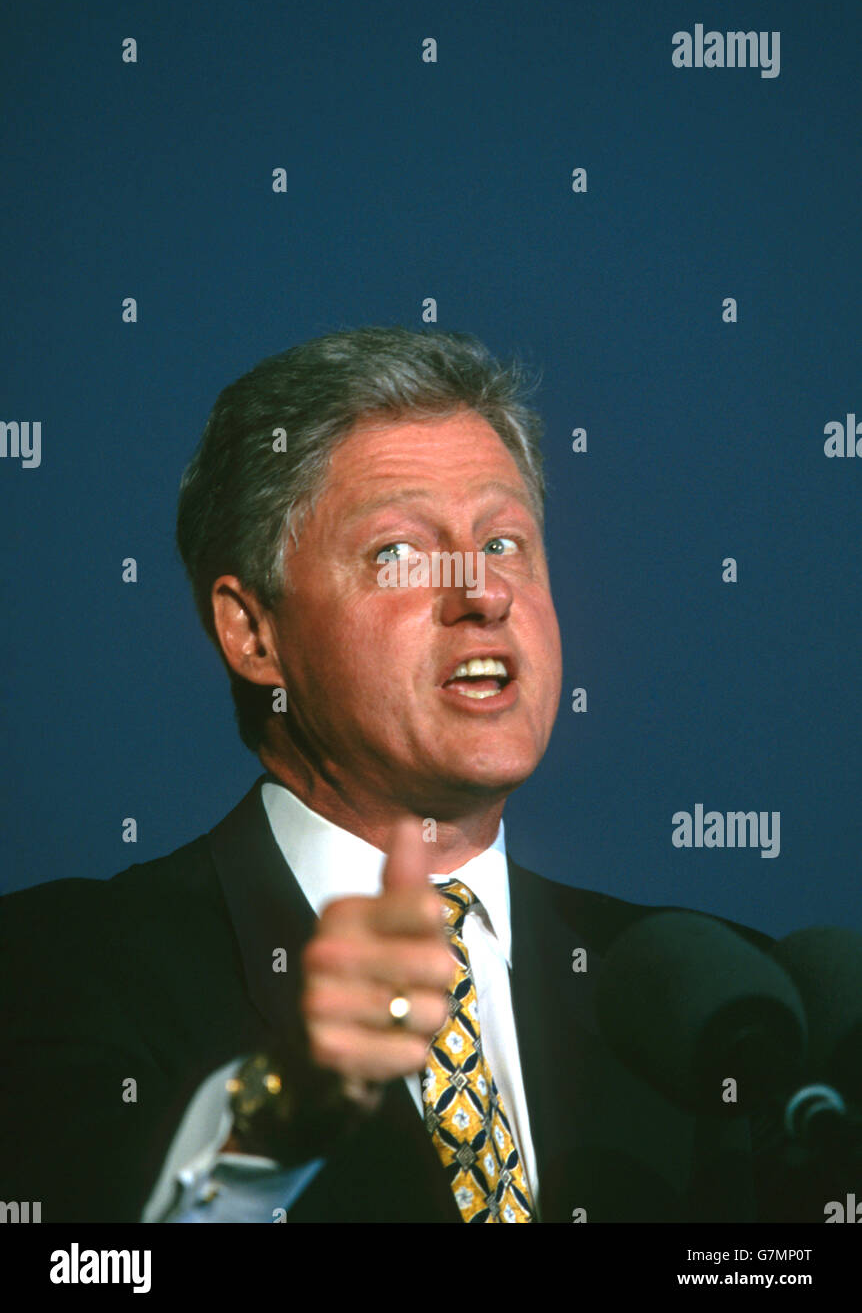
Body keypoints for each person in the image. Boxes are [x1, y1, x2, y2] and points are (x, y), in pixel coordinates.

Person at [1, 326, 773, 1223]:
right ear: (255, 634)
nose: (482, 594)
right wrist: (275, 1120)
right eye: (399, 554)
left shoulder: (723, 1010)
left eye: (506, 543)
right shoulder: (60, 969)